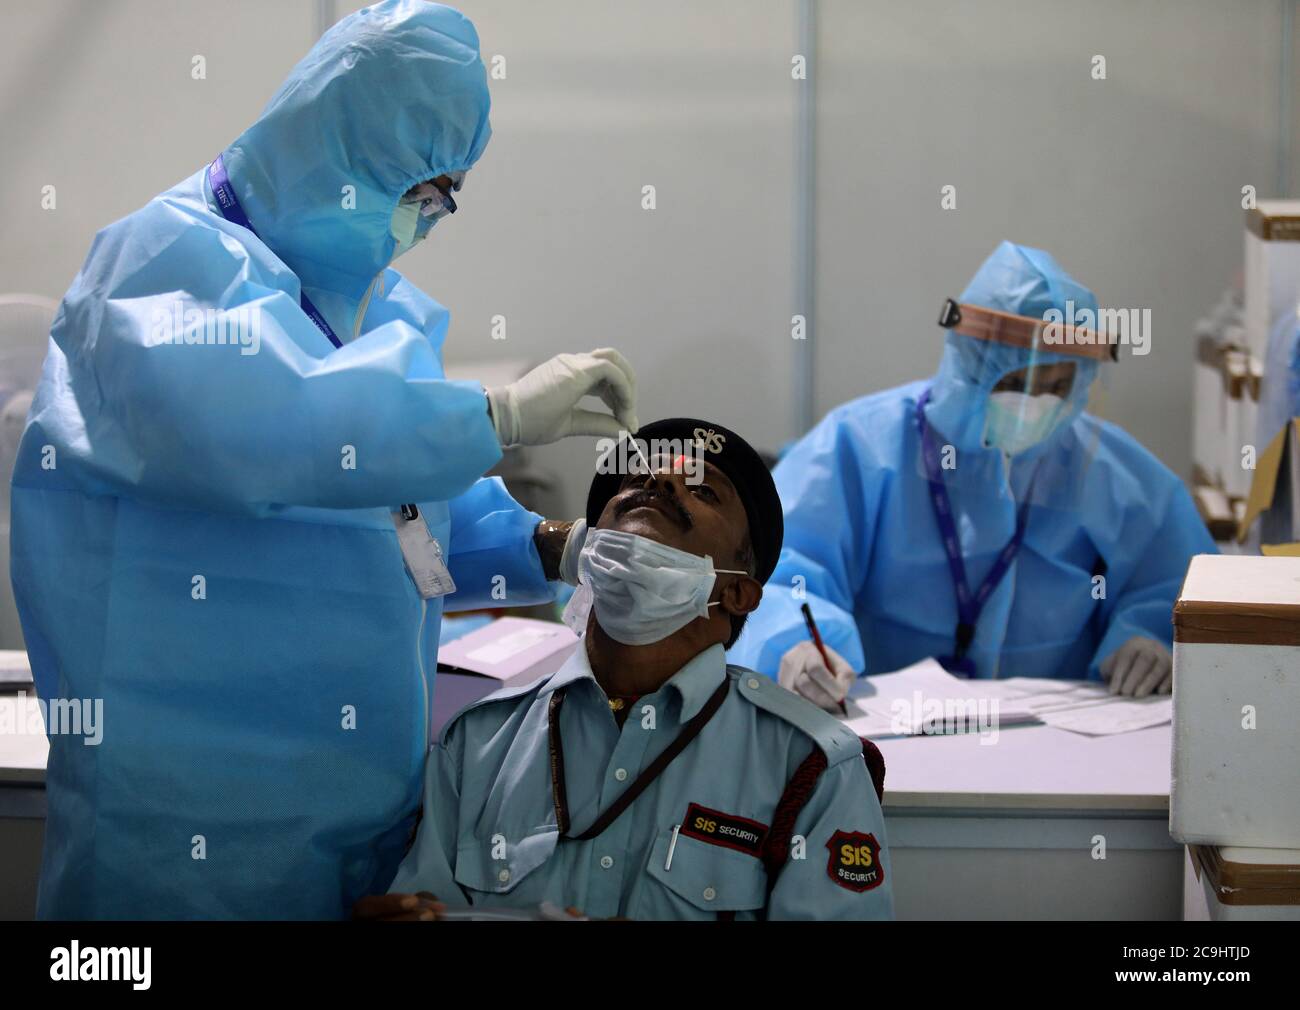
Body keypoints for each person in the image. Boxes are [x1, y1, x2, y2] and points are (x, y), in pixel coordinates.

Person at [10, 1, 634, 919]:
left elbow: (395, 505)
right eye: (423, 186)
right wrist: (493, 415)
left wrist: (555, 546)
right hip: (183, 831)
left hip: (359, 817)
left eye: (448, 193)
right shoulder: (157, 265)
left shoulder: (364, 307)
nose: (434, 215)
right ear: (340, 150)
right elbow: (269, 428)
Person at [358, 419, 893, 920]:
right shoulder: (476, 746)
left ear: (736, 591)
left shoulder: (811, 768)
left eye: (702, 491)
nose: (659, 481)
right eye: (640, 476)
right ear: (591, 550)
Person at [730, 242, 1216, 711]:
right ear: (969, 363)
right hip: (876, 737)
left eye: (1056, 387)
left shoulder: (1109, 469)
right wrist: (795, 642)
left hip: (1063, 743)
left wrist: (1154, 636)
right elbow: (784, 570)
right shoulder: (858, 446)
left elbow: (1179, 578)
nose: (1034, 403)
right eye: (1014, 382)